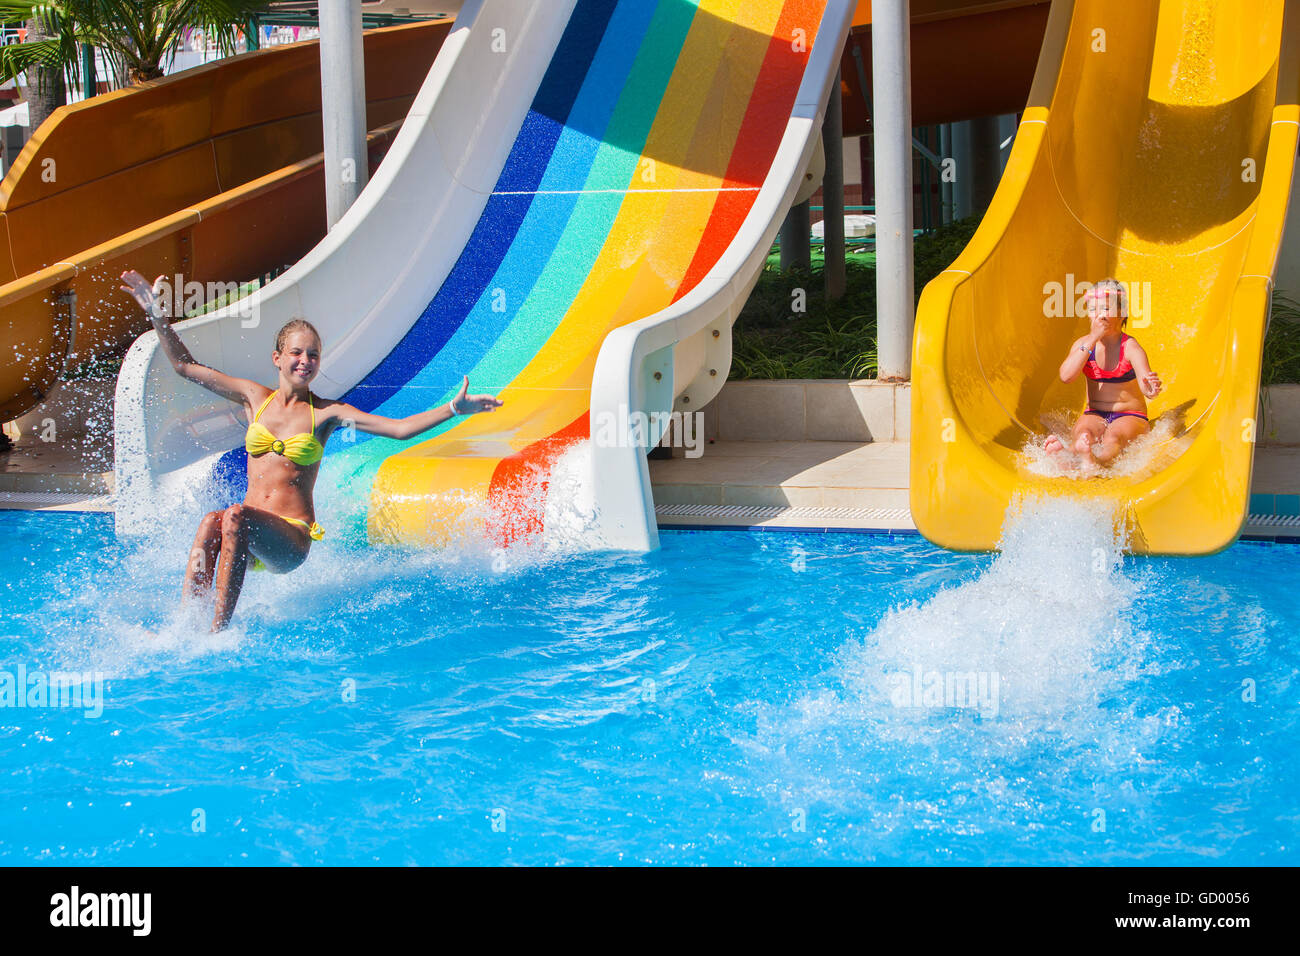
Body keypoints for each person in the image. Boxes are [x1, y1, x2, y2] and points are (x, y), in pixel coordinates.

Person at [120, 270, 503, 631]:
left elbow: (399, 430)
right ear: (277, 358)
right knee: (210, 521)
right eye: (297, 353)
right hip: (250, 540)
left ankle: (216, 633)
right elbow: (184, 367)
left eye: (314, 355)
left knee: (234, 515)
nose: (305, 361)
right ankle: (185, 627)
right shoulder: (254, 398)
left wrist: (453, 409)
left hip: (289, 540)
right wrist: (156, 315)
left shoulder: (326, 413)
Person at [1044, 278, 1162, 465]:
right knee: (1084, 434)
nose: (1099, 315)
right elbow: (1066, 376)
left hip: (1130, 415)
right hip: (1095, 412)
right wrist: (1092, 338)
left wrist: (1151, 389)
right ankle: (1066, 457)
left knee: (1113, 438)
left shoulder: (1130, 347)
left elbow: (1145, 384)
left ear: (1121, 314)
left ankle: (1097, 461)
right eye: (1093, 309)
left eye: (1106, 308)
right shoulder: (1084, 344)